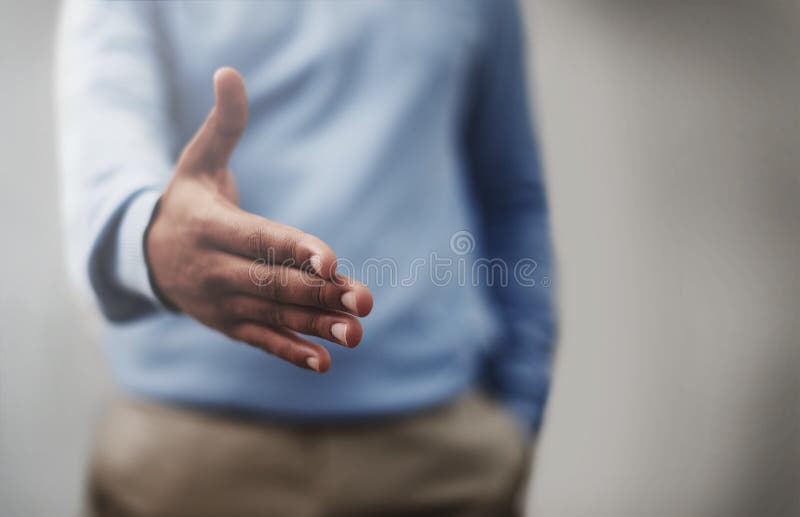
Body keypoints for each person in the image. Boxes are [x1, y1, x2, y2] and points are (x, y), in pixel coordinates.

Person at [57, 1, 557, 516]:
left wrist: (517, 413)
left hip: (436, 458)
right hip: (186, 461)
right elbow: (105, 148)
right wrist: (156, 239)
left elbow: (510, 192)